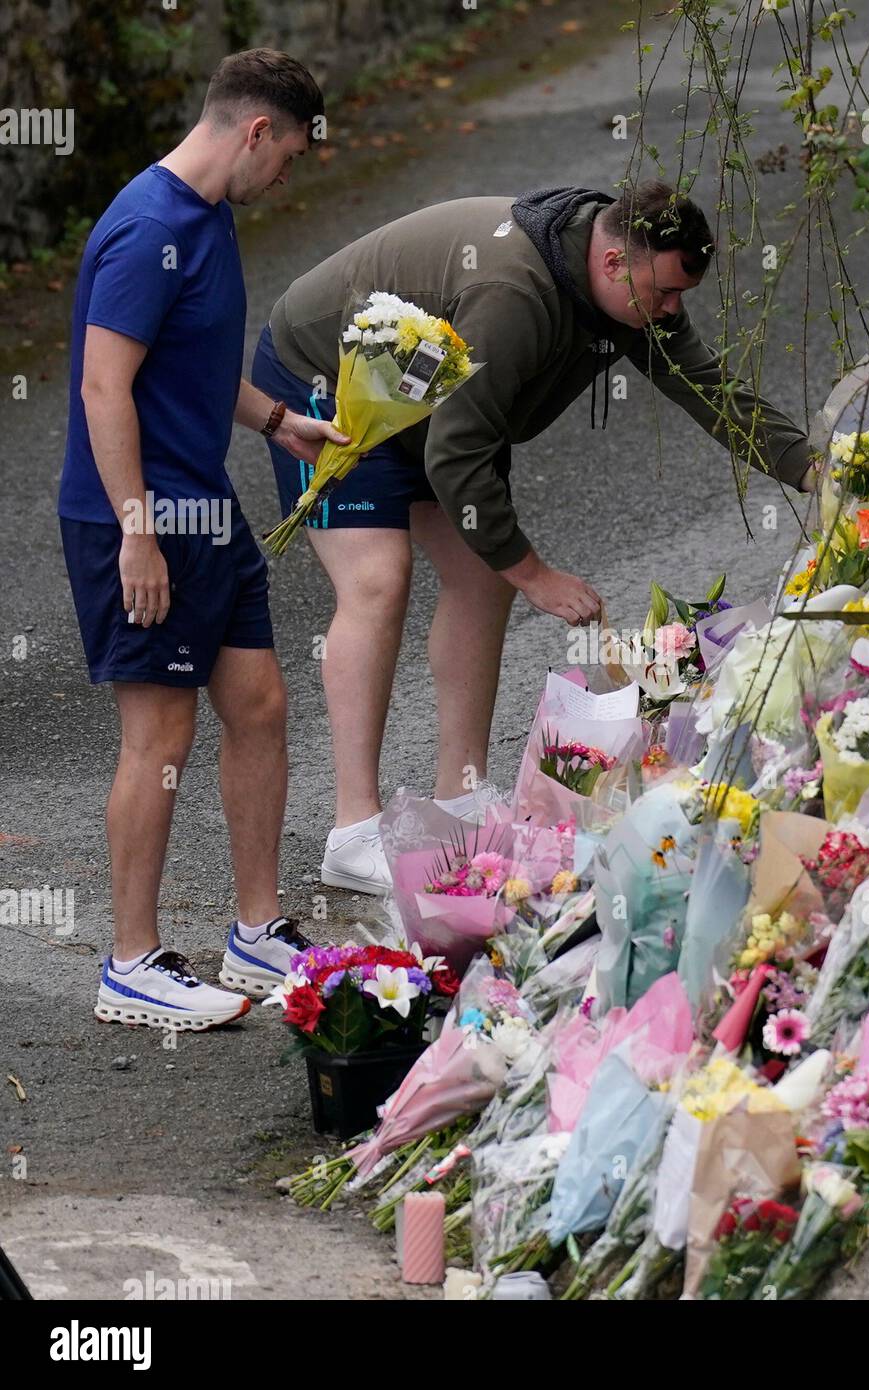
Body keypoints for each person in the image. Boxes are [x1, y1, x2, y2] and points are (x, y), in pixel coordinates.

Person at [253, 181, 820, 894]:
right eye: (667, 293)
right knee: (377, 579)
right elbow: (457, 456)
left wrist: (813, 471)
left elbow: (706, 387)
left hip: (431, 387)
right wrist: (534, 574)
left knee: (481, 572)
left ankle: (460, 797)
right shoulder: (515, 294)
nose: (673, 311)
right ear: (613, 262)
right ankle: (353, 832)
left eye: (681, 295)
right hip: (329, 369)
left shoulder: (627, 291)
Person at [58, 49, 350, 1030]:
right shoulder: (147, 229)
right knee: (160, 736)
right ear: (257, 130)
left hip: (203, 505)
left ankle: (256, 932)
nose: (291, 176)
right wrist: (138, 532)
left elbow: (186, 367)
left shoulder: (210, 217)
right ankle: (131, 964)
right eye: (295, 156)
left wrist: (275, 421)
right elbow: (105, 386)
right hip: (134, 516)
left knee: (259, 704)